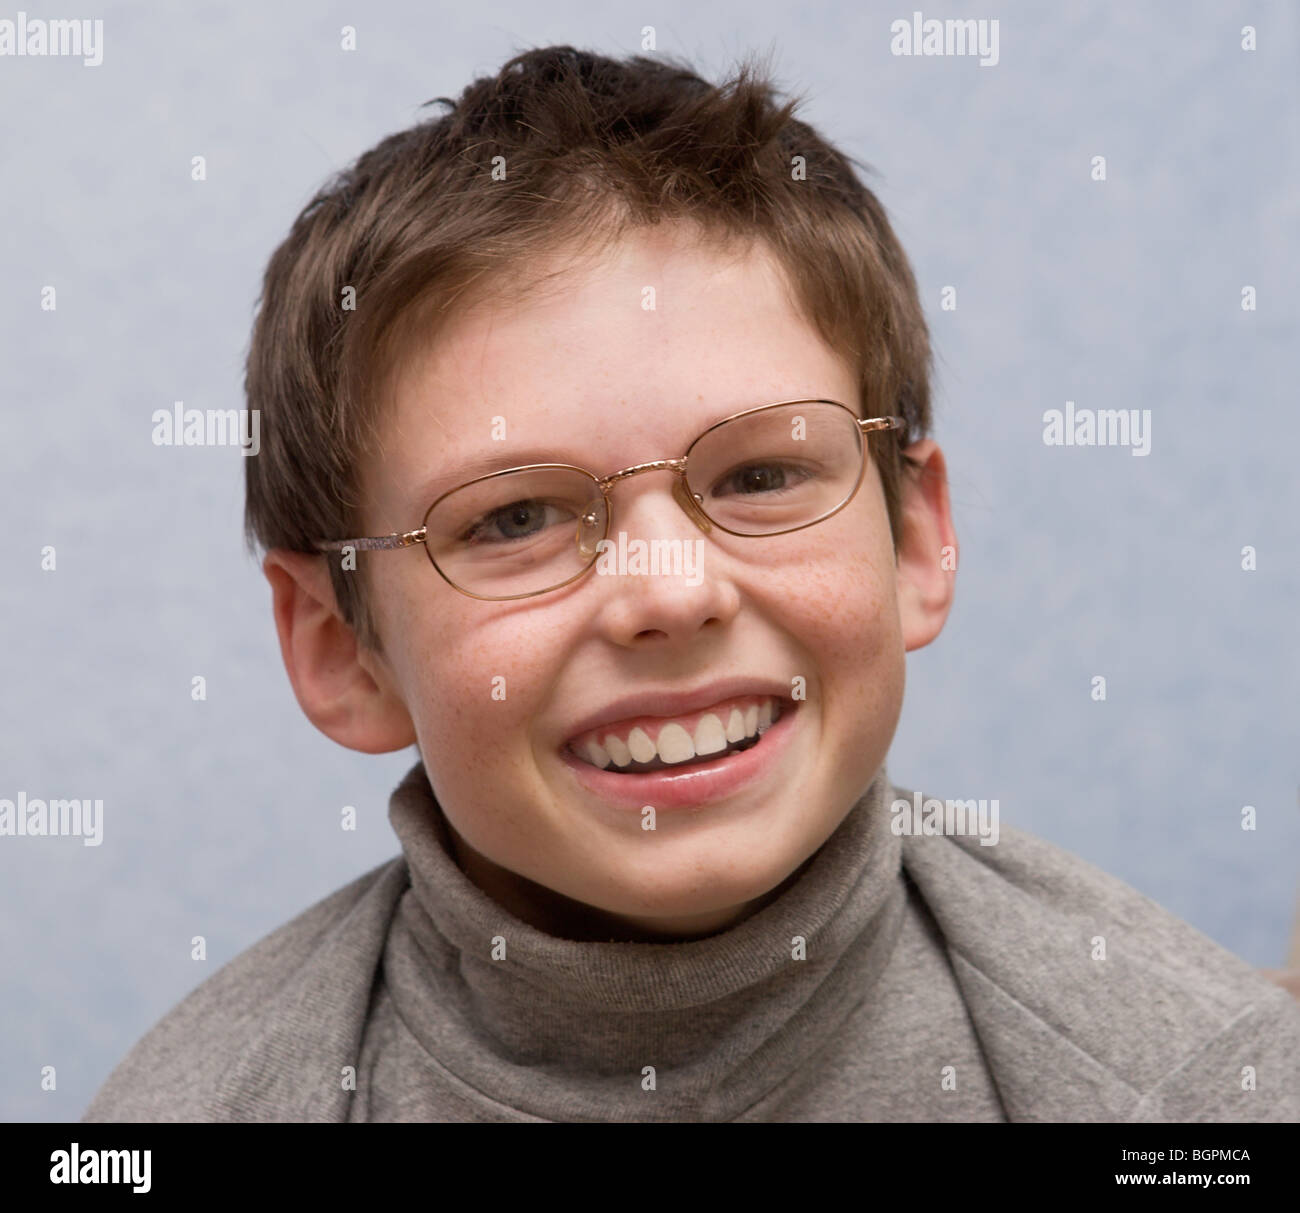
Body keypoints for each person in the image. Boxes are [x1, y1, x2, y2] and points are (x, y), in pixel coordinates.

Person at [83, 44, 1300, 1123]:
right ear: (342, 649)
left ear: (915, 538)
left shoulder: (1183, 1083)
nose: (668, 593)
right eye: (513, 516)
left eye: (762, 473)